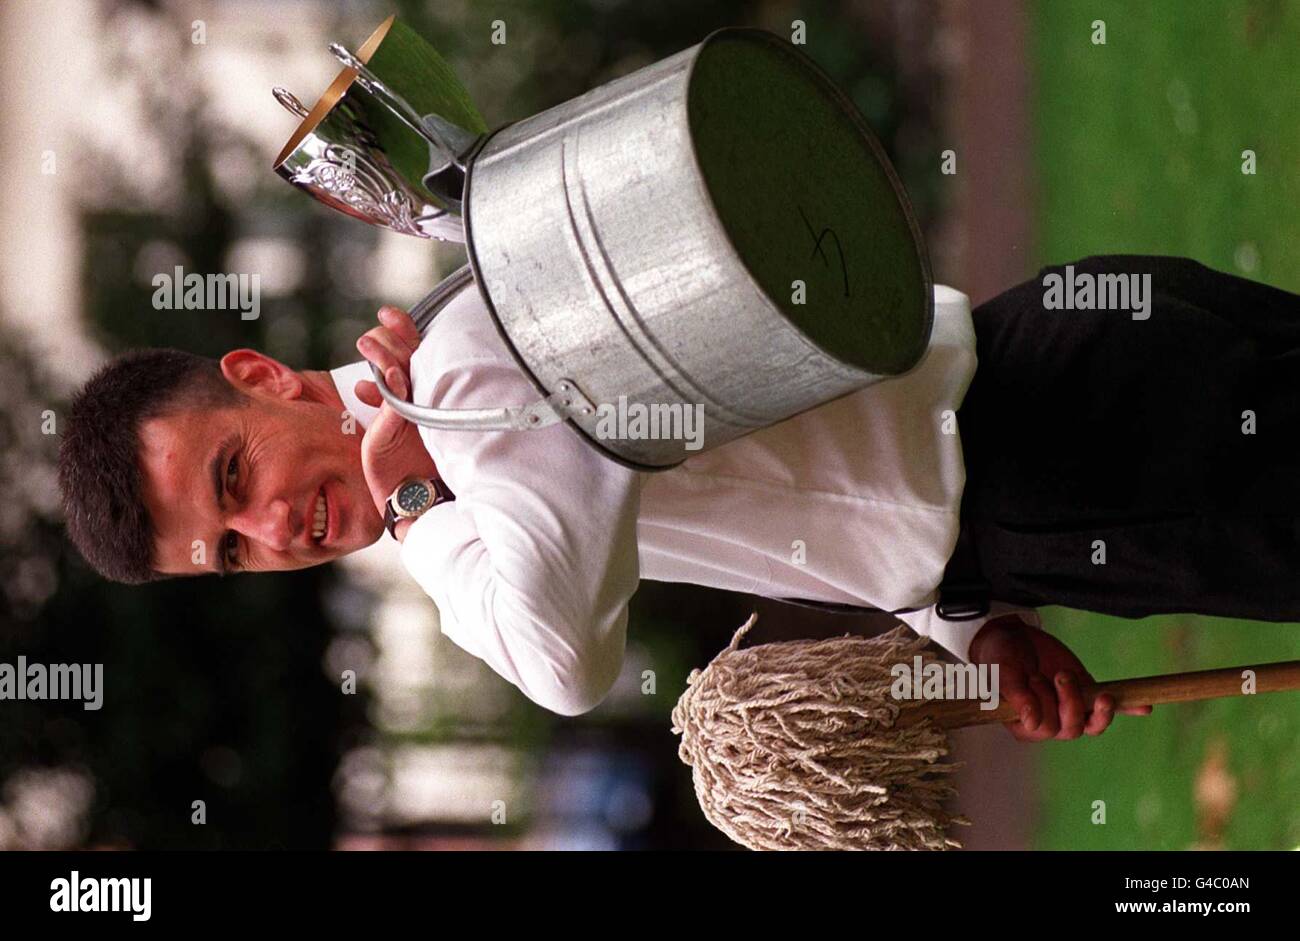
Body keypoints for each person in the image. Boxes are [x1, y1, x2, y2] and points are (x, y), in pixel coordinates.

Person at [63, 254, 1296, 735]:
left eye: (235, 475)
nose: (270, 527)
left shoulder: (457, 344)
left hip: (1067, 431)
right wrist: (970, 623)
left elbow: (561, 661)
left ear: (261, 376)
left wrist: (431, 483)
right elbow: (759, 513)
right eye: (227, 549)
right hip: (1036, 495)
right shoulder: (430, 530)